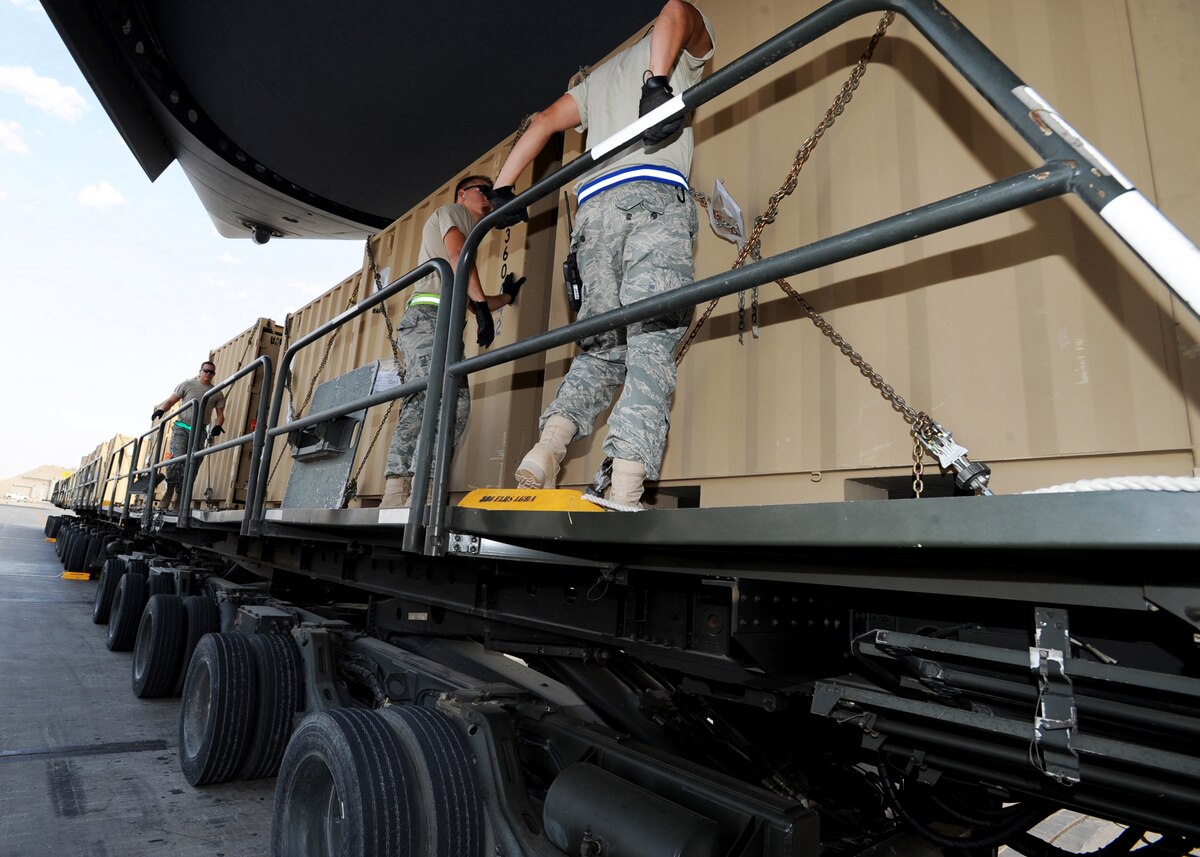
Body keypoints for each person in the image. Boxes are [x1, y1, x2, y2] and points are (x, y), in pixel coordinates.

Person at [488, 0, 714, 510]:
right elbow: (679, 8)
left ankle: (546, 452)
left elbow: (546, 120)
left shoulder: (595, 81)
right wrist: (658, 82)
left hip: (593, 220)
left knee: (602, 351)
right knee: (650, 343)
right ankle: (626, 485)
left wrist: (503, 189)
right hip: (651, 200)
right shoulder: (676, 54)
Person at [381, 175, 526, 508]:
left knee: (443, 403)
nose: (490, 197)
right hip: (429, 321)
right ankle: (406, 491)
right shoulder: (453, 213)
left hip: (442, 326)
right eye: (484, 191)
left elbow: (471, 296)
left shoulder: (471, 231)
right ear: (463, 195)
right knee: (431, 401)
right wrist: (480, 306)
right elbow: (457, 255)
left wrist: (503, 299)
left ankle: (414, 487)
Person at [151, 360, 226, 511]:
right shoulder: (187, 385)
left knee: (193, 464)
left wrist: (218, 426)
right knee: (177, 458)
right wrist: (161, 410)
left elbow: (220, 414)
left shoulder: (216, 392)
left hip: (200, 431)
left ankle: (181, 496)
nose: (208, 374)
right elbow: (171, 400)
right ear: (200, 371)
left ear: (214, 374)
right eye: (206, 370)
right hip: (182, 428)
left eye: (211, 372)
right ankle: (170, 489)